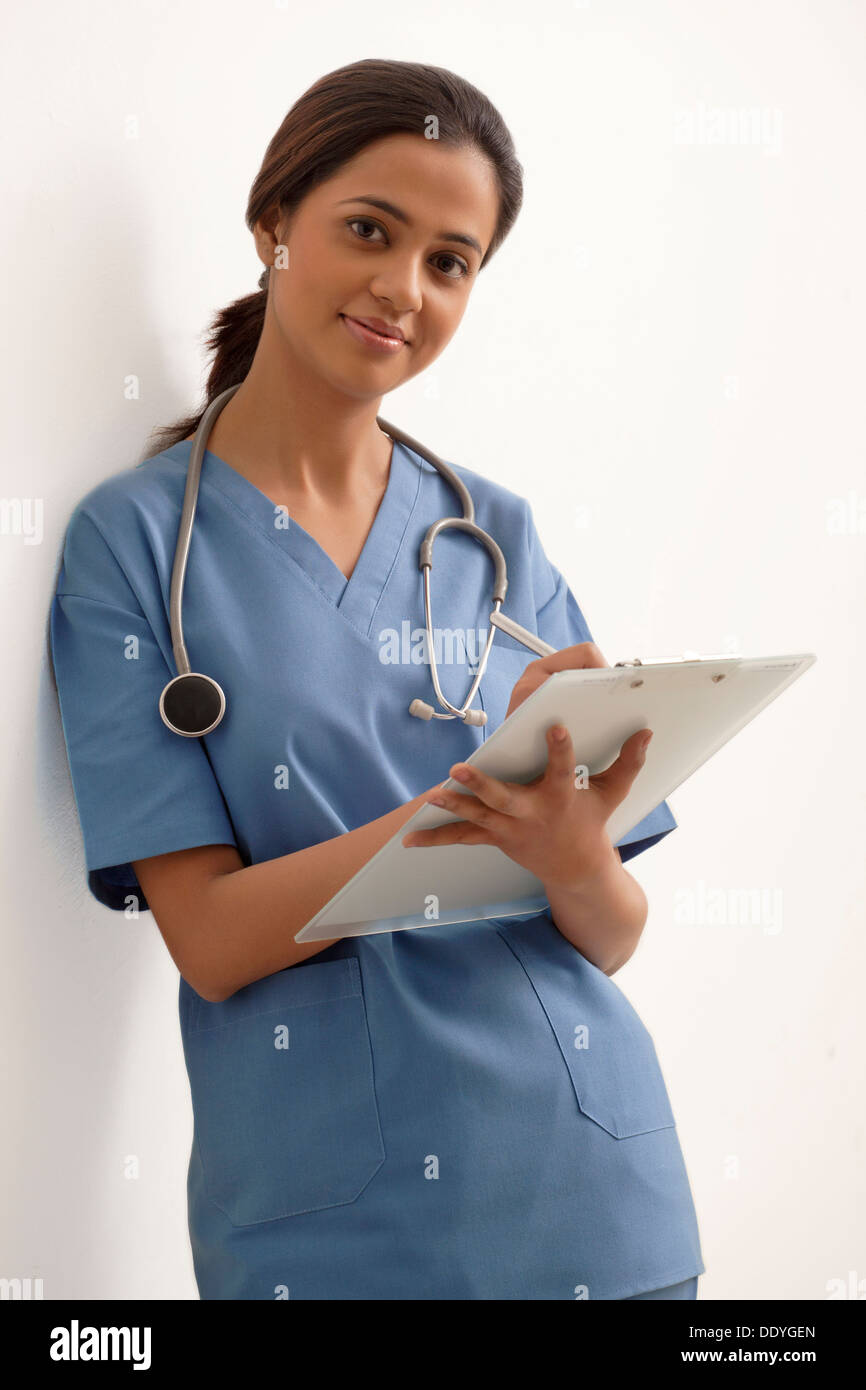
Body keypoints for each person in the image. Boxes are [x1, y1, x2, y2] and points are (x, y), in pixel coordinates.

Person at [49, 58, 704, 1300]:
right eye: (368, 230)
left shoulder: (491, 531)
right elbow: (212, 941)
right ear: (271, 224)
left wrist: (568, 855)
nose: (402, 289)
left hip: (599, 1213)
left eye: (450, 261)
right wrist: (445, 820)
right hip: (334, 1232)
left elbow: (612, 935)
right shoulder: (137, 546)